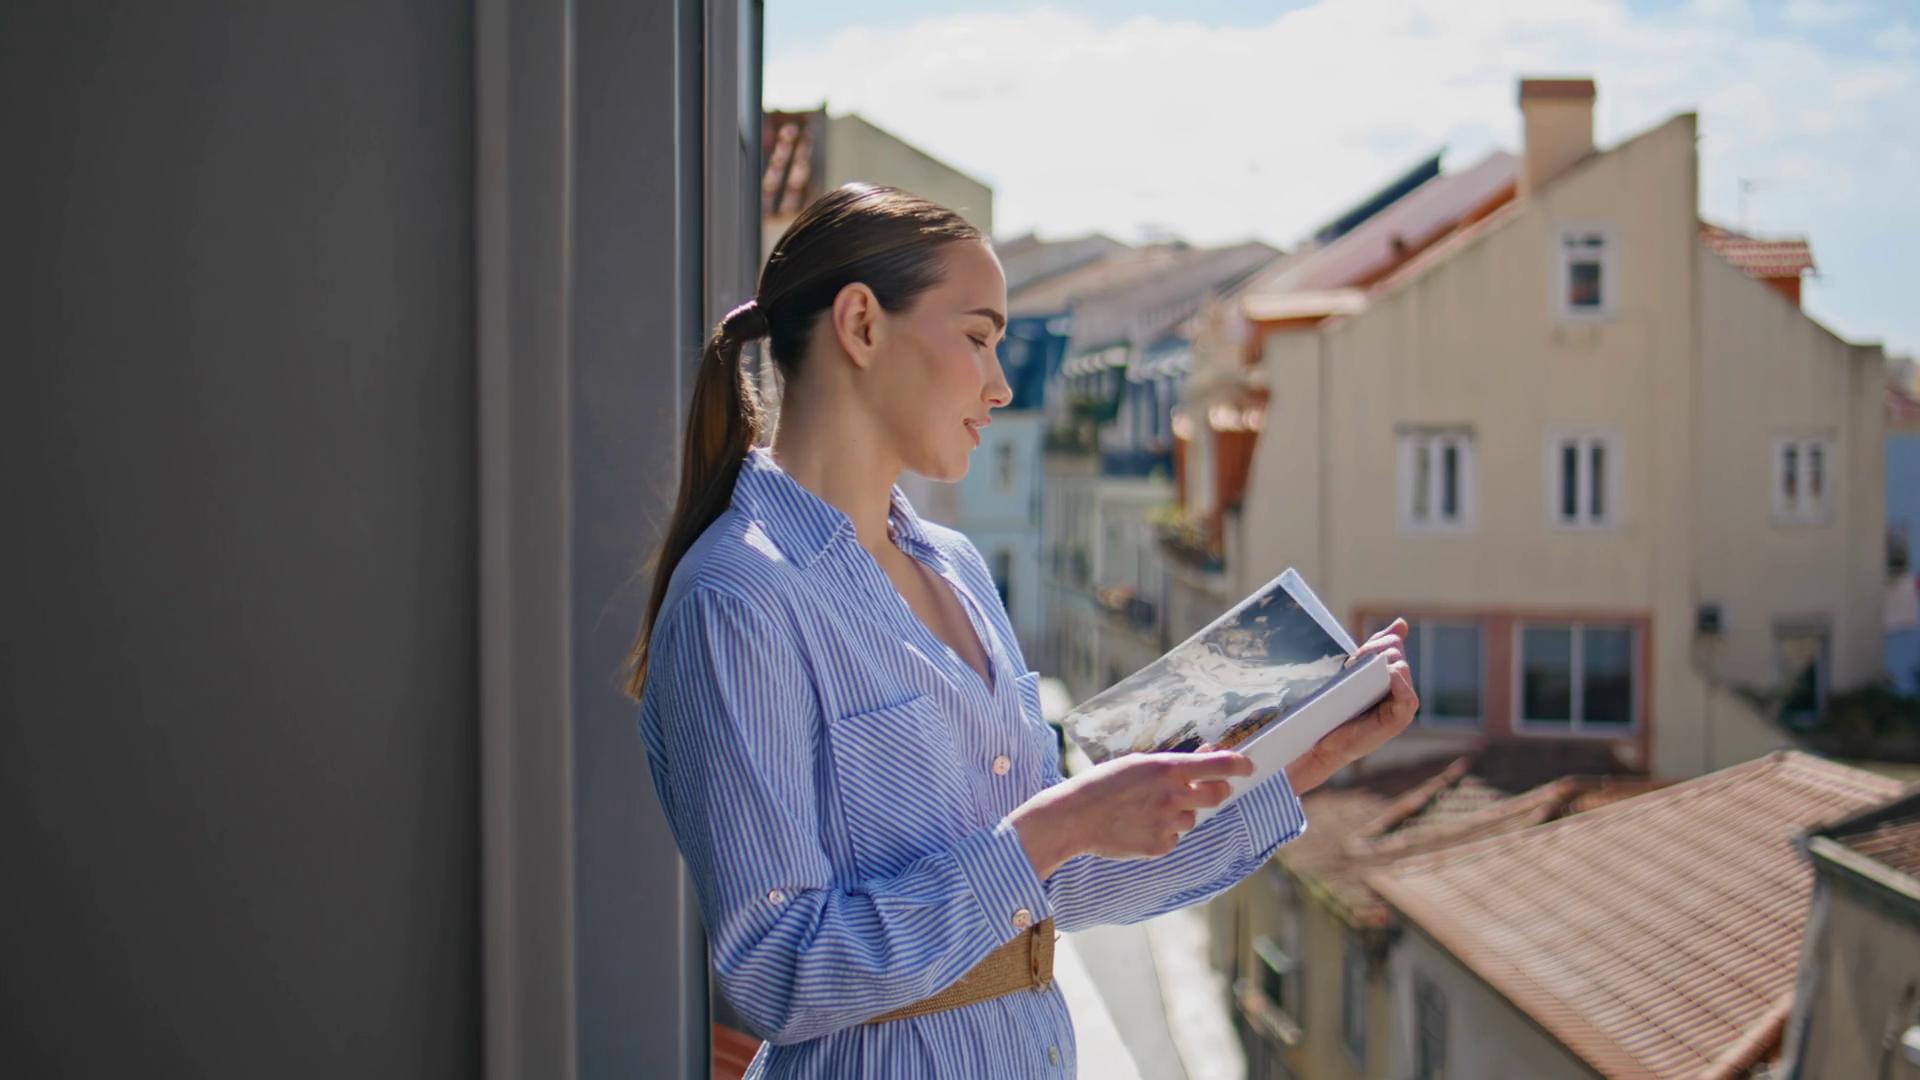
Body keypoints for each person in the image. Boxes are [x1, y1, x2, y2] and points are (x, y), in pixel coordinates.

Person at [628, 183, 1418, 1079]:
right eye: (977, 338)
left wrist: (1291, 762)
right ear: (860, 325)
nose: (1000, 385)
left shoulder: (960, 567)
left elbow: (1057, 882)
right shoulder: (738, 598)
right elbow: (780, 969)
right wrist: (1054, 827)